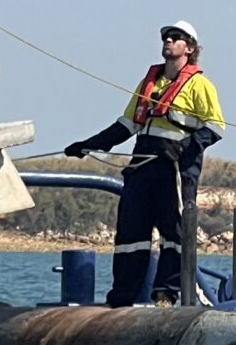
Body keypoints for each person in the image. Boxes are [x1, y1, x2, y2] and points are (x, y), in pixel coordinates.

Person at [63, 21, 225, 306]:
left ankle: (166, 292)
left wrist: (185, 148)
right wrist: (89, 144)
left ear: (190, 48)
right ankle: (123, 295)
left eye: (176, 38)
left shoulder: (200, 84)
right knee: (131, 232)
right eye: (166, 37)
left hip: (174, 168)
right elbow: (126, 124)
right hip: (142, 164)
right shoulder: (149, 83)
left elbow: (215, 127)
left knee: (173, 233)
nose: (168, 41)